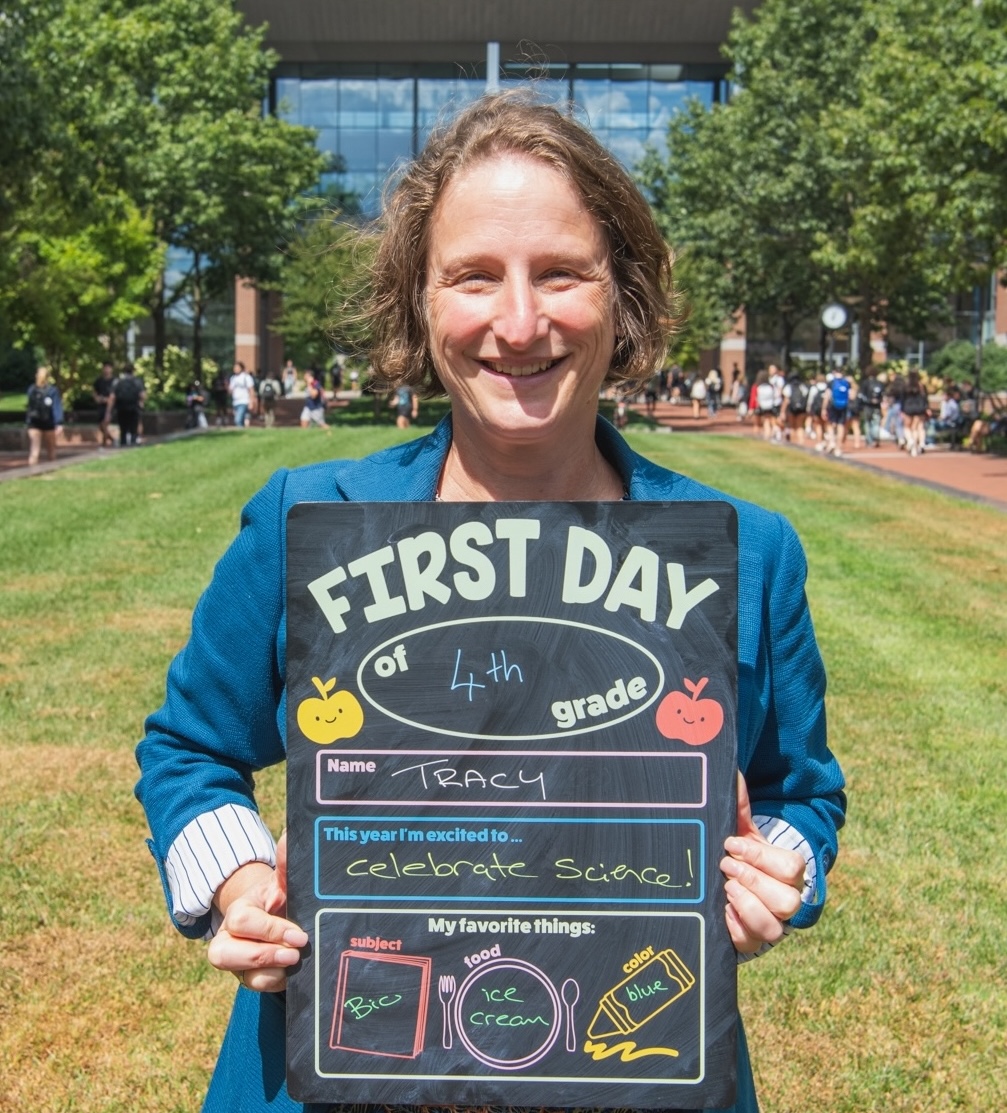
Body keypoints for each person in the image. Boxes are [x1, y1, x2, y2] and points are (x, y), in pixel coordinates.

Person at [135, 93, 845, 1113]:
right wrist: (241, 884)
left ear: (623, 293)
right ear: (418, 305)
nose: (518, 323)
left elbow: (796, 793)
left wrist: (773, 868)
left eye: (560, 273)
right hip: (343, 1059)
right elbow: (189, 749)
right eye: (473, 277)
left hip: (632, 1062)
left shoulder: (745, 553)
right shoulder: (306, 519)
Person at [25, 366, 64, 465]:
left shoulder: (31, 390)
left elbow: (29, 406)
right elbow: (56, 407)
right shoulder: (52, 391)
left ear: (36, 376)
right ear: (48, 377)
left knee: (34, 451)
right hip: (48, 423)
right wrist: (59, 423)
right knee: (51, 451)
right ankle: (52, 471)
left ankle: (31, 473)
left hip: (33, 423)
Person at [108, 362, 145, 447]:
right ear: (133, 371)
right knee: (133, 428)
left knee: (123, 428)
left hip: (121, 408)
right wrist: (141, 403)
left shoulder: (117, 382)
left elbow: (112, 397)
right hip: (134, 407)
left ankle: (123, 443)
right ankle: (133, 443)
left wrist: (109, 411)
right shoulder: (137, 382)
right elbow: (142, 395)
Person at [901, 369, 929, 457]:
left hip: (908, 408)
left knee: (907, 427)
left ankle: (910, 441)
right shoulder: (921, 386)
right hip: (919, 408)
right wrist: (926, 408)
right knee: (918, 427)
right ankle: (920, 444)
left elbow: (902, 398)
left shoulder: (905, 386)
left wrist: (902, 409)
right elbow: (925, 398)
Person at [92, 361, 116, 447]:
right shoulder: (99, 381)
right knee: (101, 426)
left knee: (104, 424)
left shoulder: (114, 381)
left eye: (108, 368)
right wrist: (97, 398)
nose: (106, 370)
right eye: (105, 368)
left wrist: (108, 402)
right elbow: (94, 392)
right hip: (101, 406)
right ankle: (112, 440)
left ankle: (104, 444)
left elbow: (113, 396)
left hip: (111, 406)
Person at [229, 361, 256, 428]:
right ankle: (244, 432)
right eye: (234, 367)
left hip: (244, 401)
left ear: (241, 368)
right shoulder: (233, 378)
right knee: (244, 418)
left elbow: (251, 390)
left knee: (238, 420)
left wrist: (251, 401)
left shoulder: (246, 377)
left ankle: (240, 431)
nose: (235, 369)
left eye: (237, 367)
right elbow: (230, 390)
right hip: (235, 402)